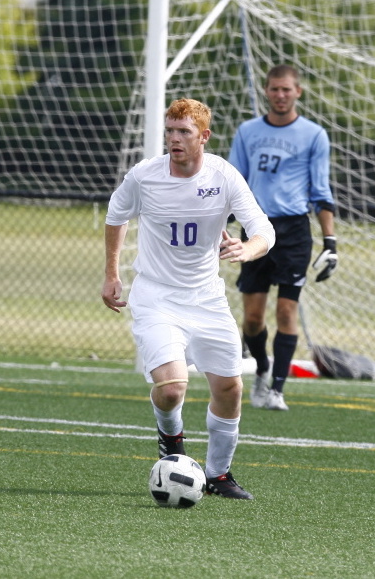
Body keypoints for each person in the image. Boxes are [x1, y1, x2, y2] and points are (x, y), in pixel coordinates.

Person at [102, 98, 275, 500]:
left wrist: (248, 250)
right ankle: (172, 443)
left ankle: (217, 475)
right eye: (170, 131)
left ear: (204, 137)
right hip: (156, 296)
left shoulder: (224, 176)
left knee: (230, 387)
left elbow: (263, 229)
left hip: (207, 298)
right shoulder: (145, 176)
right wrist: (112, 272)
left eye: (183, 132)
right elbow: (117, 214)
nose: (174, 139)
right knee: (173, 387)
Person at [228, 64, 337, 412]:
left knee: (286, 311)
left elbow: (321, 191)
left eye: (286, 90)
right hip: (256, 229)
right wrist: (219, 225)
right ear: (266, 90)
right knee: (254, 317)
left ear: (298, 92)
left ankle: (277, 389)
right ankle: (261, 369)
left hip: (293, 232)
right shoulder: (247, 132)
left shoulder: (314, 135)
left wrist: (331, 243)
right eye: (274, 89)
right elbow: (233, 183)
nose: (280, 95)